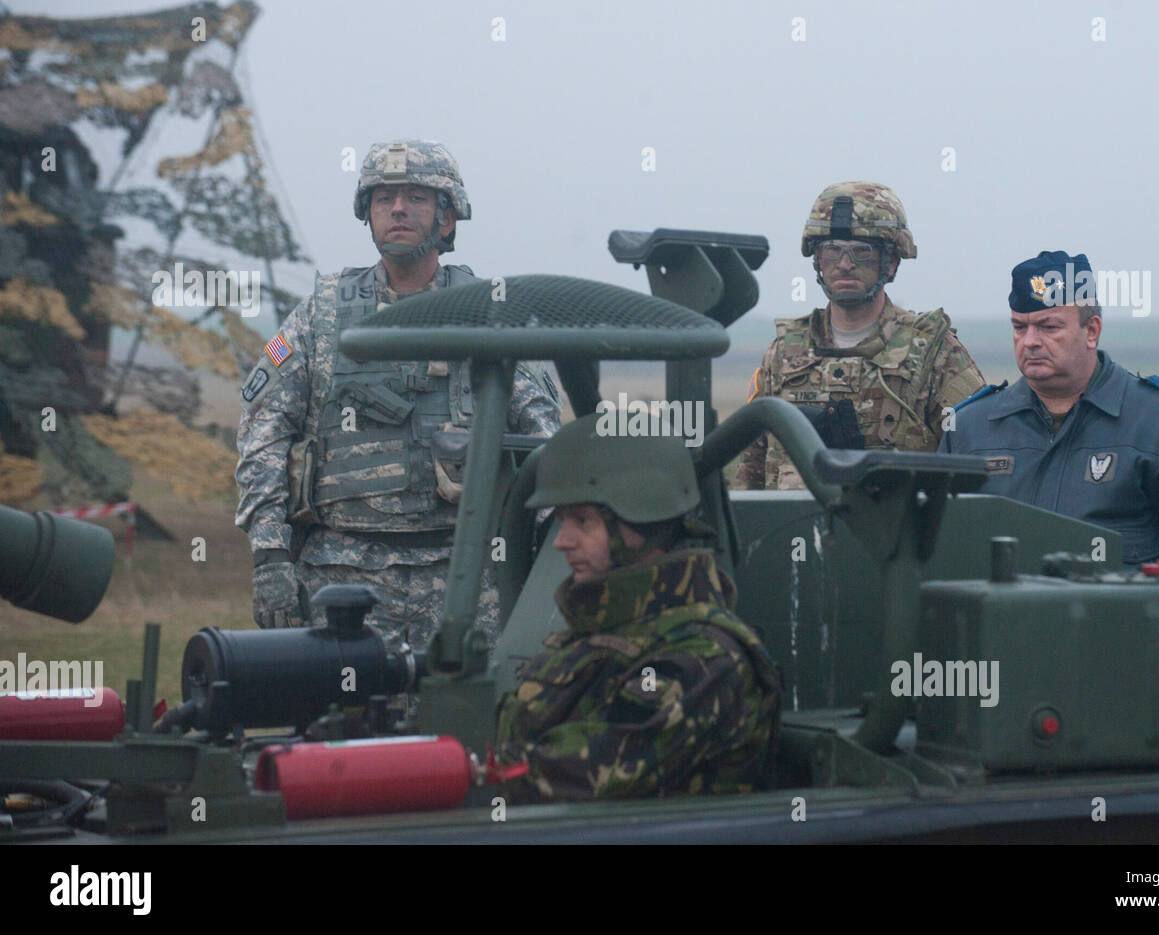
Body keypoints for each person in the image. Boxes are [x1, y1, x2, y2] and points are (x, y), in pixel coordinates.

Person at [236, 140, 561, 648]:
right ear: (367, 213)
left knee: (467, 721)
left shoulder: (489, 315)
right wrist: (270, 558)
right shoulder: (319, 316)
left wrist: (549, 562)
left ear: (447, 219)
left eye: (417, 197)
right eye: (384, 198)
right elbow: (263, 436)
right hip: (340, 580)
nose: (398, 209)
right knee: (342, 721)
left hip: (467, 577)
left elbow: (545, 451)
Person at [494, 414, 782, 802]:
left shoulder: (702, 658)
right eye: (563, 521)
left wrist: (459, 768)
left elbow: (579, 773)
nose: (562, 541)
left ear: (640, 525)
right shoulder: (613, 628)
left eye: (583, 521)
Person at [939, 250, 1159, 582]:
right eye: (1019, 327)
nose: (1030, 342)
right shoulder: (969, 428)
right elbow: (939, 558)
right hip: (1001, 630)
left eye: (1048, 326)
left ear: (1092, 331)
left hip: (1119, 630)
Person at [736, 181, 985, 489]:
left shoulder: (935, 353)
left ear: (891, 262)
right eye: (832, 251)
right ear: (817, 260)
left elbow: (976, 460)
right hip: (793, 531)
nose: (845, 265)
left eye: (862, 252)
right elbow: (751, 471)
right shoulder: (784, 353)